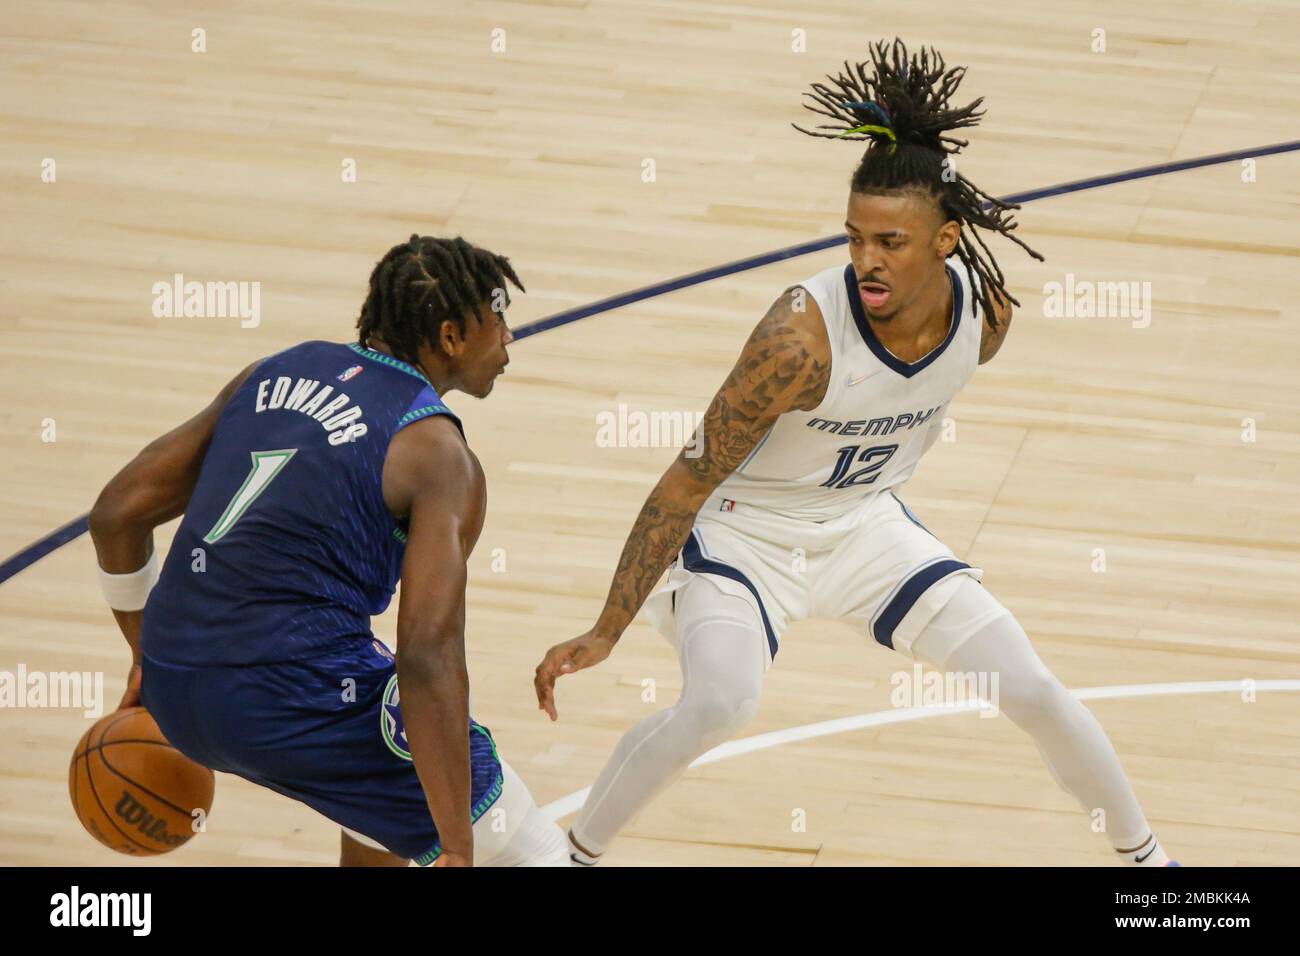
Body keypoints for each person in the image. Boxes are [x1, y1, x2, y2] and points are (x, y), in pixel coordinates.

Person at [535, 41, 1178, 868]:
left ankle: (1154, 873)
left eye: (890, 241)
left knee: (1029, 685)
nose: (866, 260)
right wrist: (607, 627)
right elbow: (687, 476)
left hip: (863, 527)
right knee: (721, 702)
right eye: (853, 238)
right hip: (744, 533)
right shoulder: (798, 341)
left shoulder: (986, 318)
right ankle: (572, 856)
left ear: (947, 239)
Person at [91, 234, 567, 866]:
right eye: (498, 317)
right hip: (289, 696)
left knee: (377, 736)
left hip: (176, 689)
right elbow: (427, 655)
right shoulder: (439, 456)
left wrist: (147, 653)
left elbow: (116, 514)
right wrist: (458, 843)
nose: (509, 336)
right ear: (450, 337)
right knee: (532, 851)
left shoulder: (276, 368)